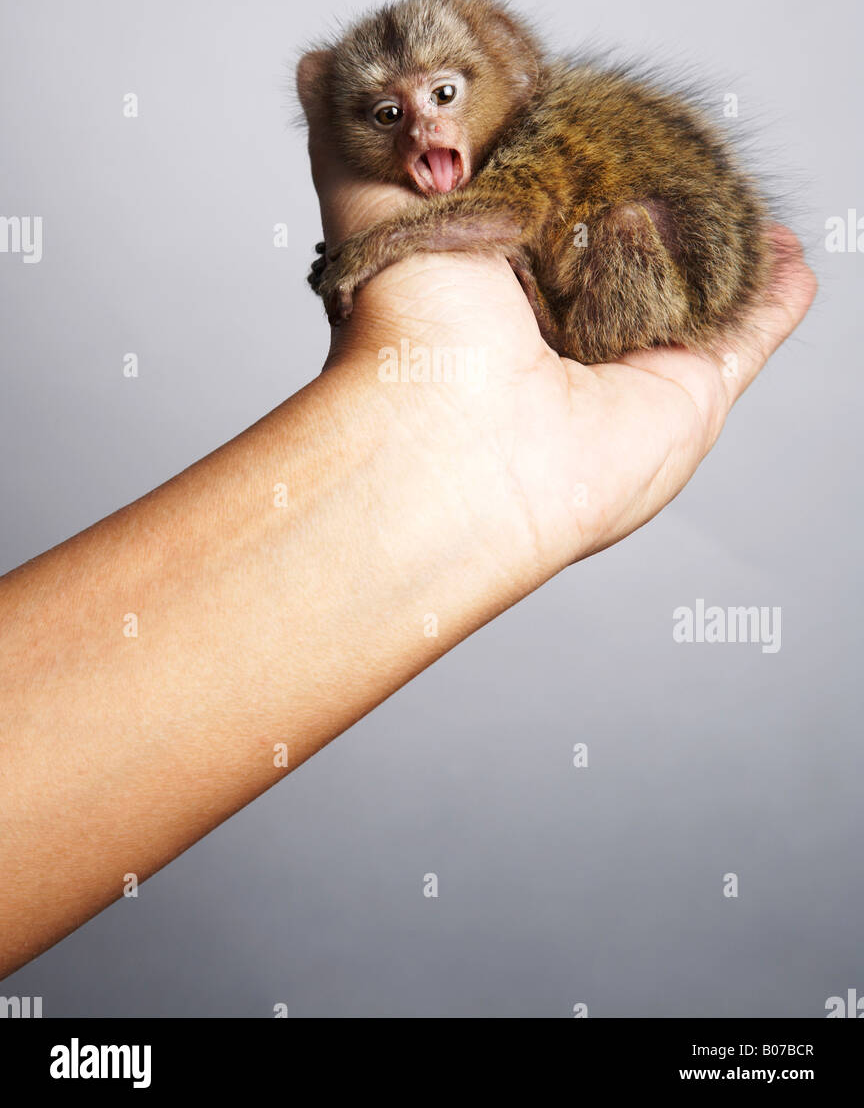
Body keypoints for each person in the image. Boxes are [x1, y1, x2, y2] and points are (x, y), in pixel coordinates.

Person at [0, 113, 815, 977]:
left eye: (444, 94)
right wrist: (432, 435)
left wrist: (376, 259)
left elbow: (502, 211)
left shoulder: (539, 158)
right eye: (391, 110)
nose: (423, 122)